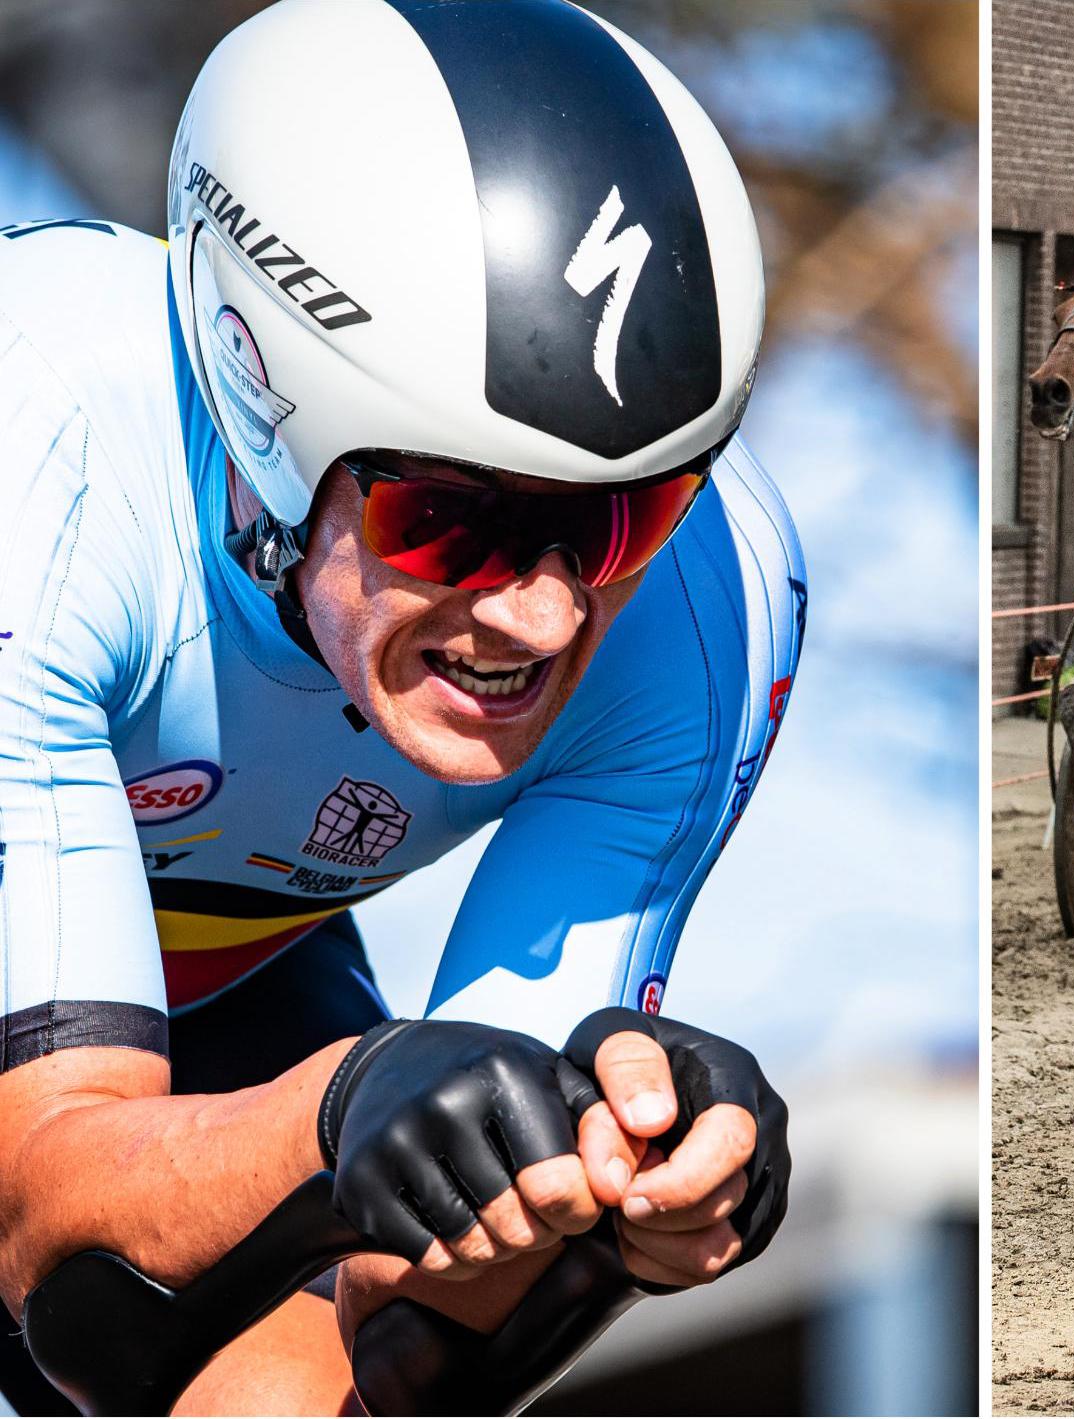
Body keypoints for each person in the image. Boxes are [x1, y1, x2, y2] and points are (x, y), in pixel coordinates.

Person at [0, 2, 802, 1411]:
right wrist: (339, 1105)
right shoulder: (45, 458)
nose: (544, 617)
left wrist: (616, 1192)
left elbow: (411, 1337)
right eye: (452, 518)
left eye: (623, 520)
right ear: (260, 402)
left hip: (216, 986)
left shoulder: (708, 604)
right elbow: (54, 1249)